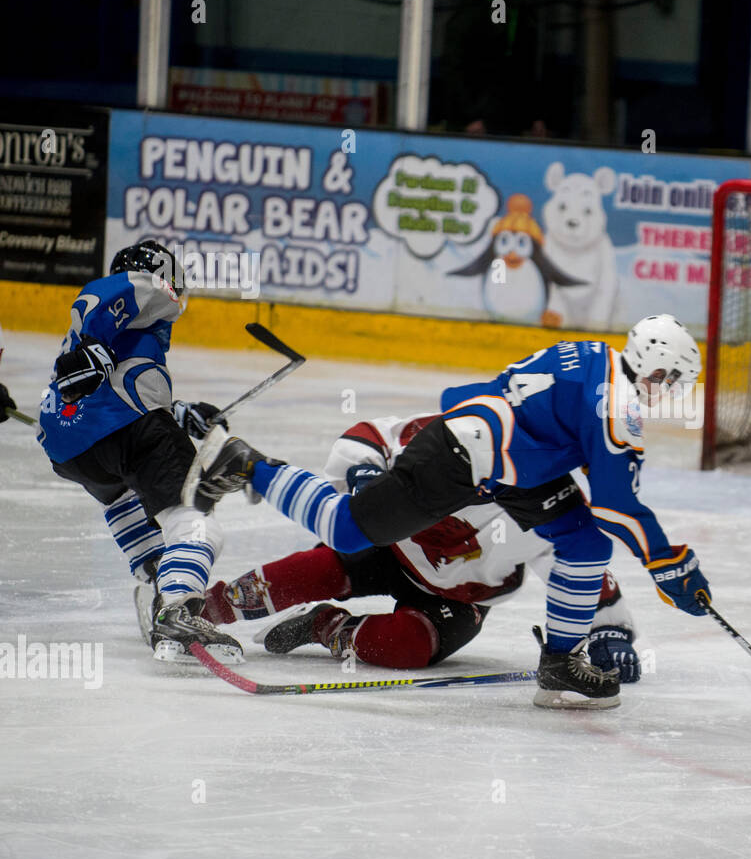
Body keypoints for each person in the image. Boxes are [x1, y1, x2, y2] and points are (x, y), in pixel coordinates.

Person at [185, 315, 710, 709]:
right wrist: (672, 564)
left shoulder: (596, 358)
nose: (668, 396)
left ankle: (559, 663)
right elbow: (618, 502)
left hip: (516, 469)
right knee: (349, 529)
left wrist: (612, 626)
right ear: (657, 368)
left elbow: (593, 484)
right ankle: (247, 465)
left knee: (584, 542)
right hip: (471, 456)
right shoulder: (615, 401)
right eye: (673, 382)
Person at [202, 412, 641, 681]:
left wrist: (610, 630)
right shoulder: (458, 435)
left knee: (408, 646)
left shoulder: (551, 506)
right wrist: (365, 474)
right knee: (314, 571)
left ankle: (324, 625)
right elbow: (370, 434)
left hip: (457, 596)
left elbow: (581, 570)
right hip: (390, 548)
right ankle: (200, 611)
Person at [36, 239, 242, 664]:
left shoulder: (120, 335)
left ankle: (156, 582)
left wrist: (179, 412)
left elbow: (117, 377)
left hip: (69, 446)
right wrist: (93, 347)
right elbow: (95, 302)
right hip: (127, 427)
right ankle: (178, 609)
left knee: (127, 497)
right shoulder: (143, 288)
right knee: (195, 523)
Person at [440, 0, 547, 137]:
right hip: (476, 121)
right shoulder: (480, 8)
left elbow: (523, 68)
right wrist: (470, 116)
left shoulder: (514, 9)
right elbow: (456, 67)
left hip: (503, 118)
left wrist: (535, 116)